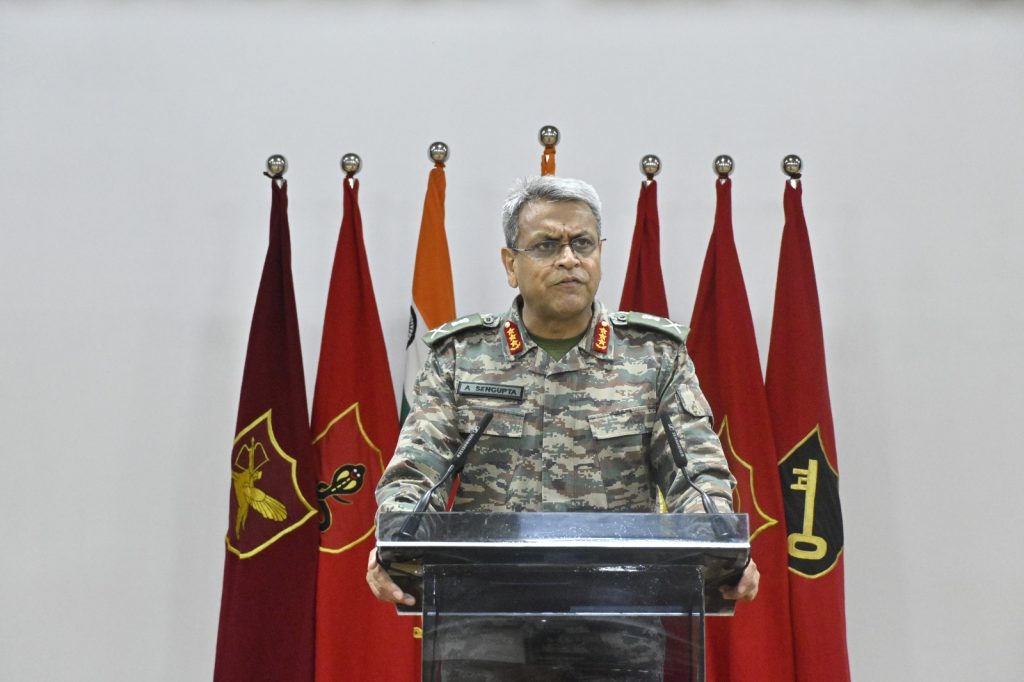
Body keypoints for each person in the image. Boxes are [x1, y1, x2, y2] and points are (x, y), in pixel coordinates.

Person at [367, 176, 759, 680]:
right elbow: (415, 474)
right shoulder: (462, 358)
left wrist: (721, 543)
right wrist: (393, 542)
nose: (569, 259)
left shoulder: (654, 356)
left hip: (618, 614)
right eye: (547, 245)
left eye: (582, 243)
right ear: (511, 264)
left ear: (599, 254)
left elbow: (698, 475)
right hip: (488, 619)